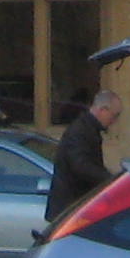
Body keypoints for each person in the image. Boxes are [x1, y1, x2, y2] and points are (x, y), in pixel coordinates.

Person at [44, 86, 121, 225]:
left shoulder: (87, 128)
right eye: (114, 115)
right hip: (70, 208)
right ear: (103, 110)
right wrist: (108, 180)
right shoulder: (80, 131)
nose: (114, 121)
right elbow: (81, 166)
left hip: (74, 207)